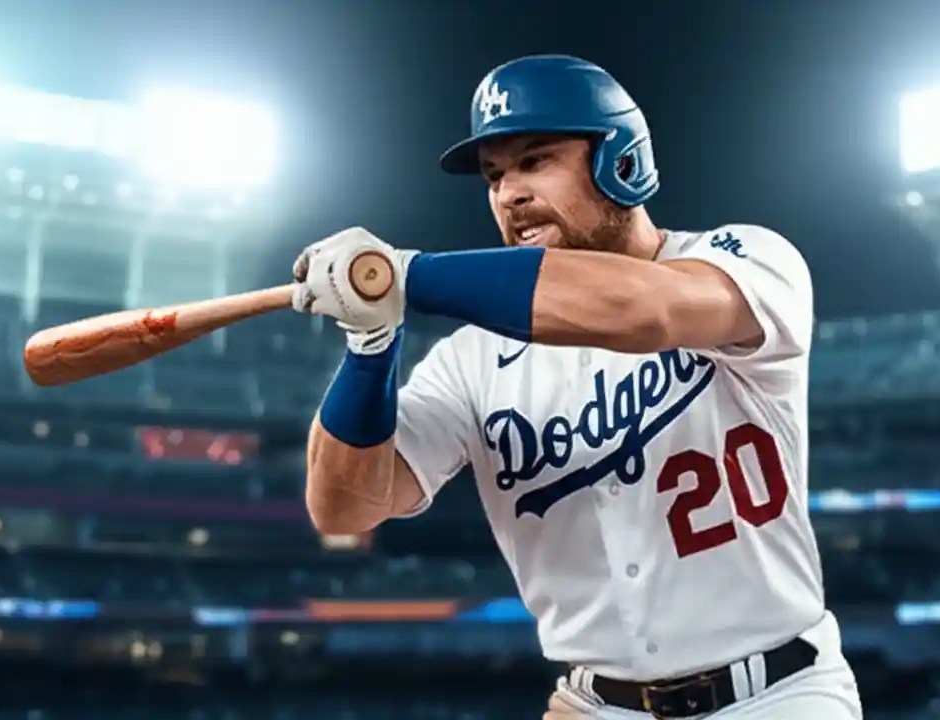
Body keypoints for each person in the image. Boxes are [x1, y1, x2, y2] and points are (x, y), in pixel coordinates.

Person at [289, 54, 863, 719]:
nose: (510, 194)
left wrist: (409, 275)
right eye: (494, 176)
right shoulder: (470, 361)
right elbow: (345, 506)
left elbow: (646, 310)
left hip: (777, 694)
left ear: (621, 160)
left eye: (536, 161)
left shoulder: (746, 259)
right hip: (594, 704)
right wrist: (371, 346)